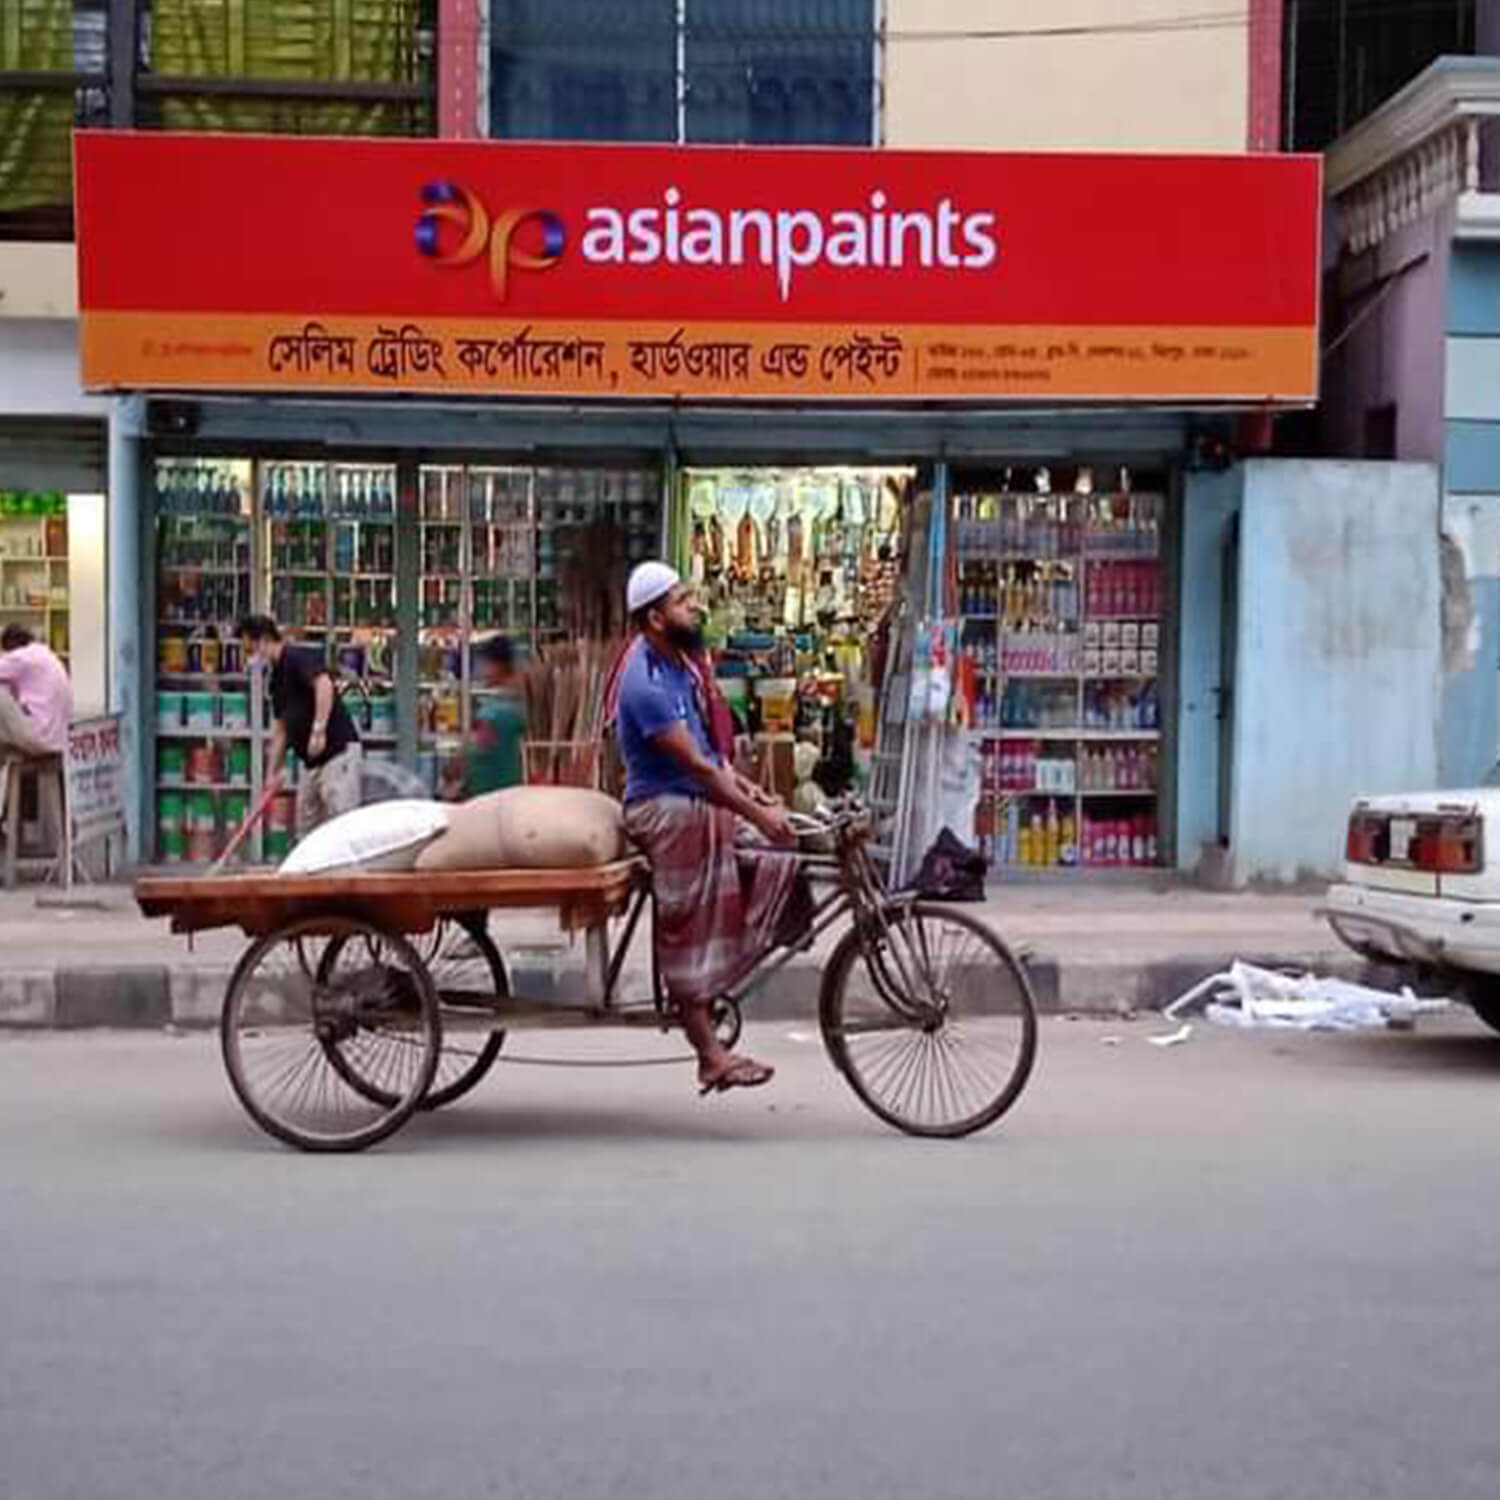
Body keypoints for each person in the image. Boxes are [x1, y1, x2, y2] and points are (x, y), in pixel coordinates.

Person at [615, 561, 800, 1097]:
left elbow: (711, 761)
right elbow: (695, 768)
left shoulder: (682, 665)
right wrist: (754, 811)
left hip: (693, 796)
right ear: (655, 617)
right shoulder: (644, 681)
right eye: (683, 599)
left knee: (777, 854)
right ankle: (709, 1054)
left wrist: (750, 791)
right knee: (686, 924)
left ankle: (729, 962)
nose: (696, 606)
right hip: (663, 810)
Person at [239, 615, 361, 833]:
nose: (250, 657)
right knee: (306, 825)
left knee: (341, 823)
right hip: (311, 761)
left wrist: (318, 730)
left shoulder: (296, 657)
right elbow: (282, 729)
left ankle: (347, 867)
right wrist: (271, 772)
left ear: (264, 640)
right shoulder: (275, 680)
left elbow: (324, 684)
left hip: (337, 753)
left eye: (251, 649)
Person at [0, 624, 73, 831]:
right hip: (56, 739)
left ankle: (7, 816)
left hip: (39, 737)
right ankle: (10, 813)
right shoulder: (46, 656)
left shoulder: (23, 657)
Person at [442, 634, 526, 800]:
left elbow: (475, 750)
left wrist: (452, 768)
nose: (480, 670)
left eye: (484, 664)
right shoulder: (512, 699)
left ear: (498, 665)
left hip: (492, 797)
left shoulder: (497, 711)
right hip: (510, 795)